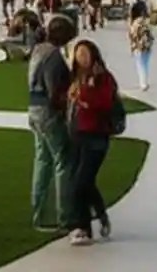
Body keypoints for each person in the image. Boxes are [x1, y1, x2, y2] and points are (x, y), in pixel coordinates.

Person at [28, 14, 77, 232]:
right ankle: (65, 216)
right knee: (62, 160)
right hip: (48, 112)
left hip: (34, 109)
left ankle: (38, 213)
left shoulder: (38, 51)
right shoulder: (54, 56)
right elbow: (54, 90)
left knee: (42, 159)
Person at [65, 39, 115, 245]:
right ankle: (99, 215)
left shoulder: (103, 77)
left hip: (96, 136)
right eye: (78, 55)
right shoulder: (77, 77)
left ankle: (81, 227)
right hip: (78, 134)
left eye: (85, 54)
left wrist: (84, 94)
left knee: (81, 183)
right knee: (84, 181)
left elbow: (105, 103)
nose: (82, 59)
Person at [127, 1, 153, 91]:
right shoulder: (144, 21)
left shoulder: (133, 22)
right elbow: (149, 33)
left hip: (137, 46)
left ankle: (143, 83)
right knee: (145, 65)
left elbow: (132, 35)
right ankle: (144, 82)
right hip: (146, 45)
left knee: (140, 65)